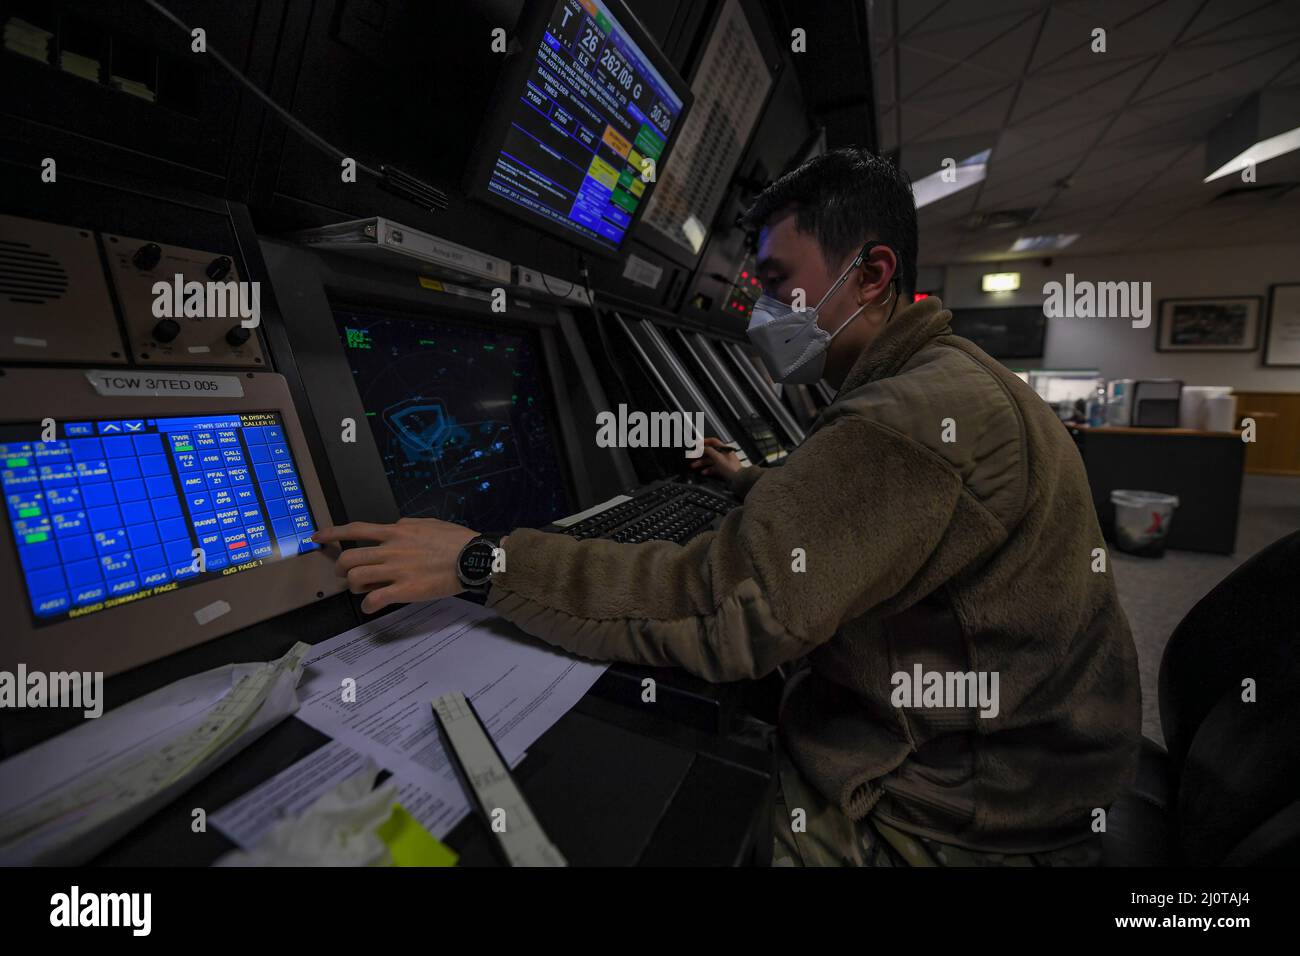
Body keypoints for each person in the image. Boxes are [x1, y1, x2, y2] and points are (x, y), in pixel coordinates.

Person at [313, 147, 1142, 866]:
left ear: (874, 274)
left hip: (952, 826)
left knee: (633, 816)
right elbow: (882, 520)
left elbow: (721, 609)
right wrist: (754, 483)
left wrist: (481, 560)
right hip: (1030, 776)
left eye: (779, 282)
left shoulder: (902, 420)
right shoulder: (950, 381)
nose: (760, 311)